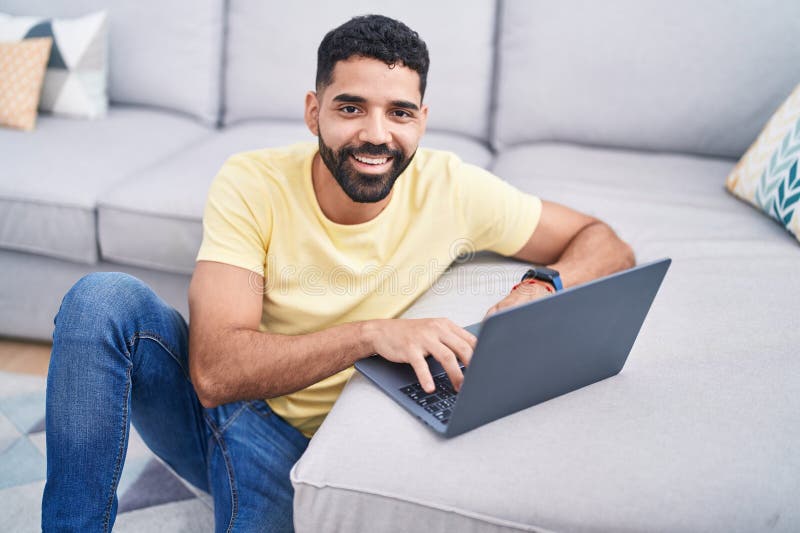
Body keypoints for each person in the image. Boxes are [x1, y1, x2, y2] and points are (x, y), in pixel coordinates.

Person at [41, 14, 634, 533]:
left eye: (399, 112)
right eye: (351, 108)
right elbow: (215, 373)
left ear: (422, 121)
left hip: (321, 444)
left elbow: (602, 240)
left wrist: (541, 285)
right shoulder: (252, 183)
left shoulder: (455, 189)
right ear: (312, 111)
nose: (376, 134)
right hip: (231, 411)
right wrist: (371, 334)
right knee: (101, 300)